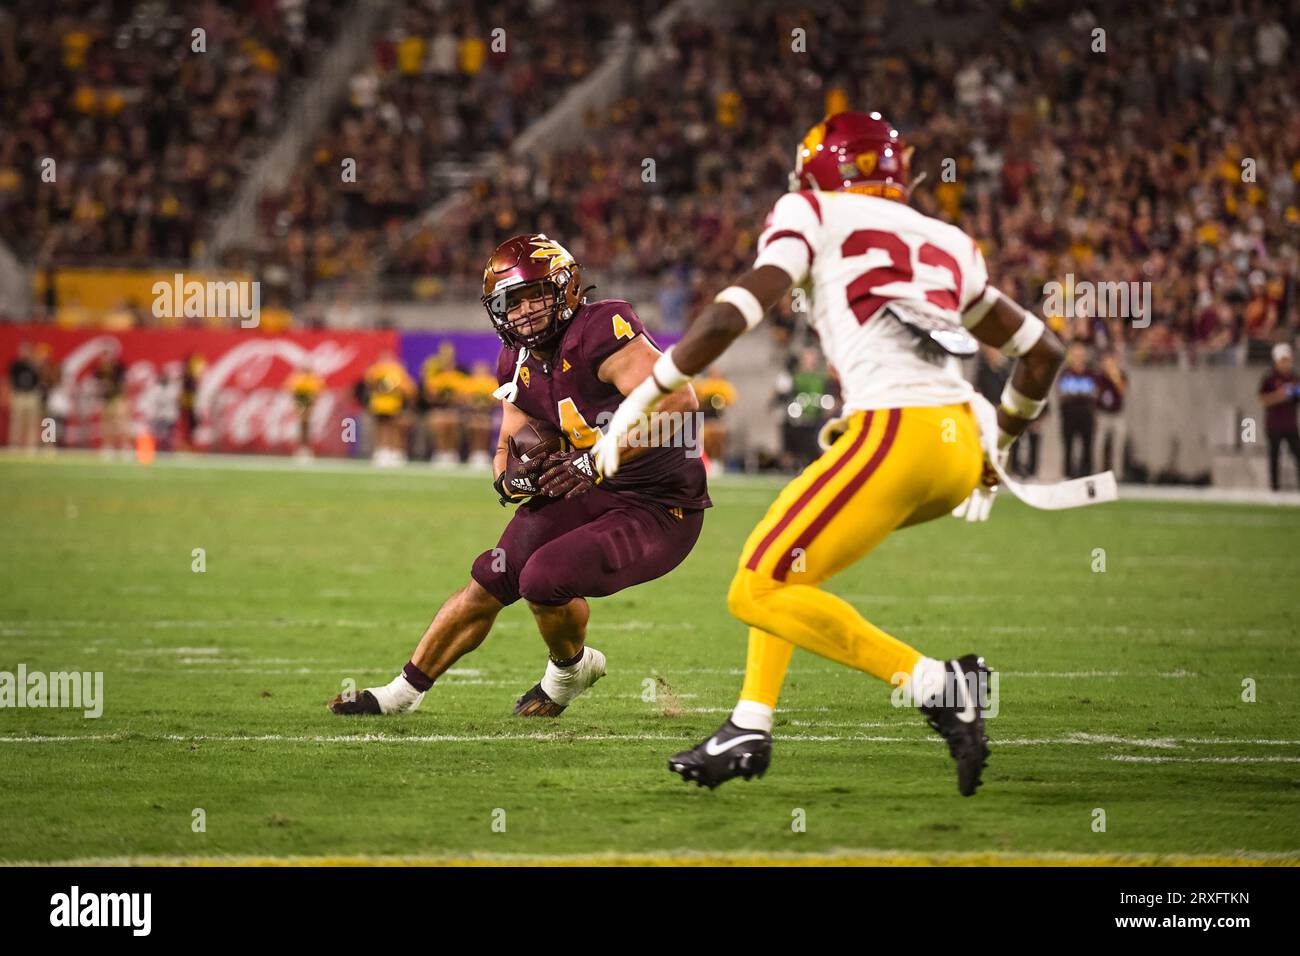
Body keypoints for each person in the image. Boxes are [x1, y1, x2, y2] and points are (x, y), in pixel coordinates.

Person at [594, 112, 1065, 796]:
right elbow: (1042, 352)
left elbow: (733, 312)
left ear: (819, 171)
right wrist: (1004, 443)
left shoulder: (810, 210)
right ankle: (749, 724)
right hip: (956, 446)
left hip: (896, 435)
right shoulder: (950, 240)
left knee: (755, 587)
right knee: (786, 565)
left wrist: (640, 403)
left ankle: (939, 683)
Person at [329, 234, 710, 718]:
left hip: (659, 505)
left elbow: (680, 403)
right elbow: (510, 441)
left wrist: (596, 459)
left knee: (544, 578)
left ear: (567, 290)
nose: (523, 312)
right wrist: (512, 478)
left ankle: (566, 676)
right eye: (511, 302)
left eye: (534, 296)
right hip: (586, 484)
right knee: (492, 575)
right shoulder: (518, 358)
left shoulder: (603, 329)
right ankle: (402, 693)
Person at [1259, 342, 1300, 490]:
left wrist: (1295, 392)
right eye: (1282, 360)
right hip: (1274, 425)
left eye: (1287, 360)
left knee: (1298, 455)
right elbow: (1262, 400)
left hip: (1291, 425)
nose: (1285, 363)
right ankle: (1274, 490)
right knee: (1274, 458)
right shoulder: (1269, 378)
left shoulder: (1295, 378)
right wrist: (1280, 395)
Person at [1057, 343, 1099, 478]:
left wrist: (1076, 392)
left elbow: (1095, 393)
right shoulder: (1065, 373)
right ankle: (1068, 474)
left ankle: (1086, 473)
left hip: (1086, 414)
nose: (1078, 358)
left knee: (1087, 446)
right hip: (1069, 414)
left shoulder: (1091, 372)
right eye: (1075, 355)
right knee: (1068, 445)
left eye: (1080, 355)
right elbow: (1062, 394)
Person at [1092, 350, 1128, 475]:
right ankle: (1098, 473)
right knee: (1099, 444)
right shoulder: (1098, 377)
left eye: (1110, 361)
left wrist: (1115, 376)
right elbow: (1094, 393)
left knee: (1118, 445)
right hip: (1102, 415)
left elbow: (1123, 390)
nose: (1108, 364)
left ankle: (1117, 474)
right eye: (1106, 362)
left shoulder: (1120, 374)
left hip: (1117, 415)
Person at [6, 340, 43, 449]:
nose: (25, 352)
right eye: (23, 350)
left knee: (32, 421)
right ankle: (14, 443)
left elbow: (39, 380)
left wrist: (36, 365)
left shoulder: (33, 364)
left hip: (31, 395)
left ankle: (31, 444)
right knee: (16, 421)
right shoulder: (15, 364)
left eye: (27, 350)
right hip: (19, 394)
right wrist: (9, 394)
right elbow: (10, 381)